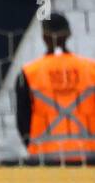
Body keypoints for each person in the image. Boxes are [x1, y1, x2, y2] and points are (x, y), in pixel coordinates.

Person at [15, 14, 95, 162]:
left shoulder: (29, 73)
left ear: (44, 36)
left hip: (44, 157)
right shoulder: (90, 69)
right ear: (69, 34)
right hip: (89, 156)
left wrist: (33, 145)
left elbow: (22, 119)